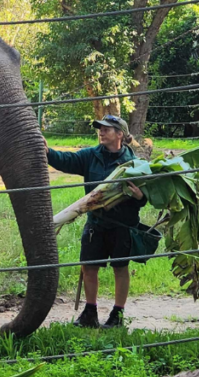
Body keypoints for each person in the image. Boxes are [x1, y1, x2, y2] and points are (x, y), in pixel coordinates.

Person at [45, 114, 146, 329]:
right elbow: (66, 161)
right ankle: (90, 312)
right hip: (96, 224)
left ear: (120, 134)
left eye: (107, 129)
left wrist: (140, 197)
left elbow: (147, 197)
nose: (101, 132)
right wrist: (47, 152)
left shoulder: (136, 164)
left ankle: (117, 315)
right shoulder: (90, 156)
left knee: (120, 268)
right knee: (89, 267)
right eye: (99, 128)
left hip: (123, 226)